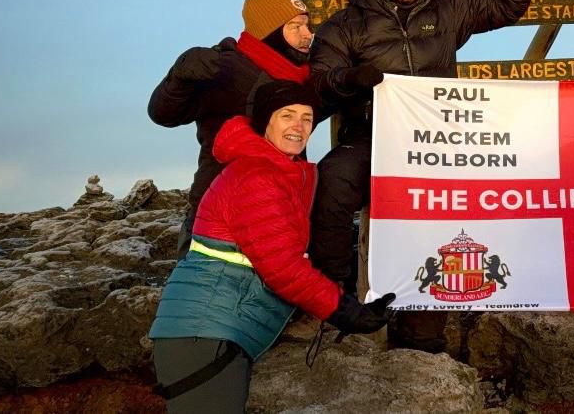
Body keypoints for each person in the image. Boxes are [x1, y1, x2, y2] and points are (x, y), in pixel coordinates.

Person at [308, 0, 544, 352]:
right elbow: (319, 80)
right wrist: (349, 80)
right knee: (331, 184)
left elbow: (506, 6)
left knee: (436, 224)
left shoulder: (449, 9)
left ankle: (423, 333)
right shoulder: (348, 22)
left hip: (437, 144)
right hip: (372, 135)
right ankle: (333, 300)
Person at [148, 81, 395, 413]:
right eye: (287, 115)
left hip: (216, 330)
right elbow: (283, 268)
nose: (299, 126)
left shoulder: (278, 173)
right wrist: (346, 311)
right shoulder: (256, 177)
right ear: (265, 121)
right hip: (203, 333)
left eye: (307, 118)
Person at [148, 0, 319, 257]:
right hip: (217, 217)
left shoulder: (299, 75)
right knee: (203, 296)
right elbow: (163, 113)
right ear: (270, 31)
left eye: (307, 26)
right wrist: (178, 77)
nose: (307, 35)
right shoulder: (223, 67)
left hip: (279, 213)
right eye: (295, 26)